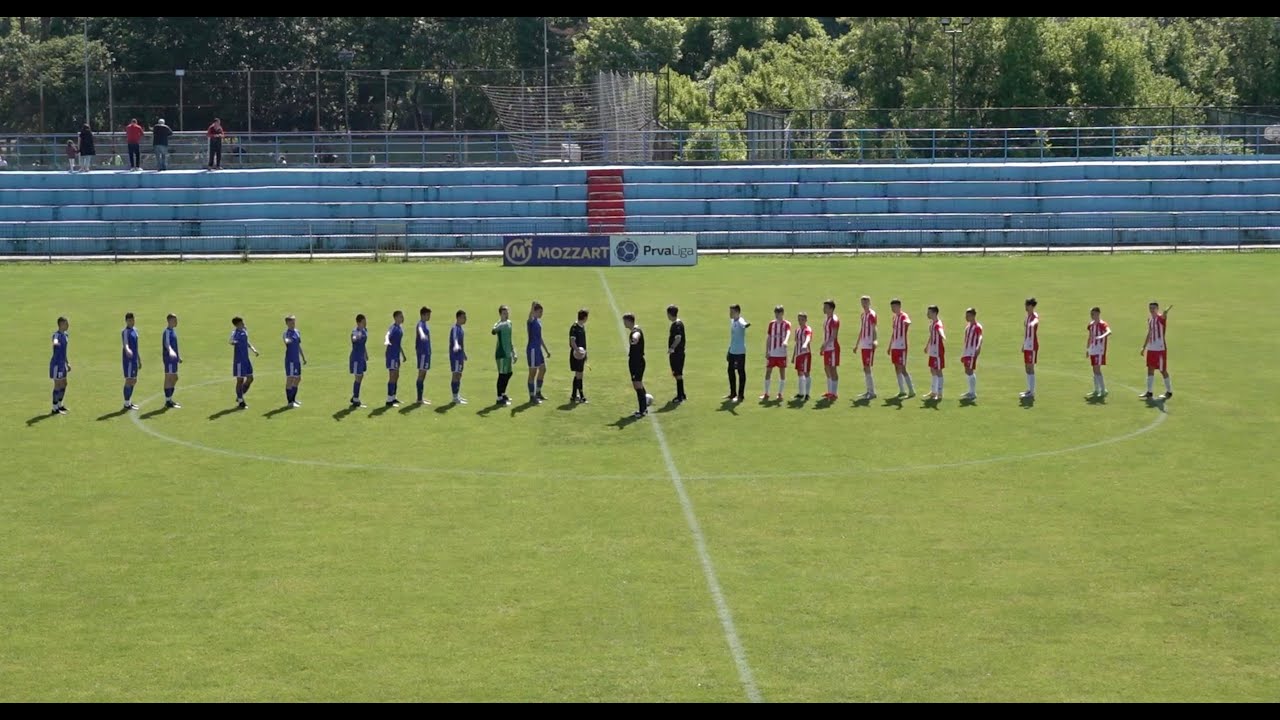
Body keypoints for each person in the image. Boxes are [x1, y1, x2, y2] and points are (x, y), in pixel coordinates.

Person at [1139, 301, 1173, 400]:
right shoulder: (1150, 319)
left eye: (1154, 308)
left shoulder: (1160, 318)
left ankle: (1169, 391)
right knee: (1150, 369)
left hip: (1160, 349)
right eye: (1150, 308)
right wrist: (1144, 347)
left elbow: (1163, 317)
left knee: (1163, 370)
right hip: (1151, 348)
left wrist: (1165, 313)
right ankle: (1149, 392)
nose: (1152, 309)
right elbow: (1149, 333)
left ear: (1157, 308)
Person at [229, 316, 260, 409]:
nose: (244, 323)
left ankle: (240, 395)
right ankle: (241, 401)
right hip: (239, 361)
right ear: (237, 324)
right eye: (242, 323)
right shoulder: (234, 333)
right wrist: (233, 342)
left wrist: (253, 349)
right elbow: (230, 341)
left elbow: (246, 342)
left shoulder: (244, 331)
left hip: (246, 360)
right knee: (240, 380)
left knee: (250, 378)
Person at [762, 304, 791, 401]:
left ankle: (780, 393)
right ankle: (766, 393)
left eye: (778, 312)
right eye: (775, 312)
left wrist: (786, 341)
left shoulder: (786, 323)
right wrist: (767, 351)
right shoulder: (772, 324)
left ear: (782, 313)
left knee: (782, 373)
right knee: (768, 372)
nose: (777, 314)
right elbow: (769, 337)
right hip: (772, 353)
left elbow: (788, 333)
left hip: (782, 353)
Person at [888, 298, 916, 398]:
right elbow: (893, 332)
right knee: (896, 367)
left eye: (894, 307)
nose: (892, 309)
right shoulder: (894, 317)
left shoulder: (904, 316)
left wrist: (906, 324)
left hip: (901, 346)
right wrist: (889, 345)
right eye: (891, 307)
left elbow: (908, 321)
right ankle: (902, 390)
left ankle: (911, 390)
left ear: (899, 306)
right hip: (895, 346)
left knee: (902, 368)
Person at [623, 313, 649, 419]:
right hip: (635, 361)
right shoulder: (636, 329)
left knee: (637, 385)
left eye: (625, 321)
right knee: (637, 385)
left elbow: (636, 336)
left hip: (637, 362)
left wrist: (634, 339)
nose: (624, 323)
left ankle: (642, 410)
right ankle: (644, 404)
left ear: (629, 321)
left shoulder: (635, 332)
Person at [526, 302, 551, 404]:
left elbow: (540, 338)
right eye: (540, 312)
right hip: (532, 350)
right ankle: (532, 397)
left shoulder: (539, 322)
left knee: (543, 369)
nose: (541, 314)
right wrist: (532, 307)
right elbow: (530, 316)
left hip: (538, 350)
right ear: (535, 312)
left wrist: (546, 350)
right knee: (533, 373)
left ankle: (538, 392)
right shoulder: (531, 321)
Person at [492, 305, 516, 405]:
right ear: (500, 314)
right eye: (504, 313)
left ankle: (503, 393)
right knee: (502, 375)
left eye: (507, 313)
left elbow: (510, 339)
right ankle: (499, 398)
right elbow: (493, 331)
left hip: (508, 353)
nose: (506, 315)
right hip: (501, 353)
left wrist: (514, 352)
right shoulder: (499, 324)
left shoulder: (509, 323)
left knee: (509, 373)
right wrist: (500, 326)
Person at [725, 304, 750, 402]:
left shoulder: (740, 321)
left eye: (732, 312)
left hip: (740, 352)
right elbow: (733, 338)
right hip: (732, 351)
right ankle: (732, 393)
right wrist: (729, 349)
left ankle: (740, 395)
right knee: (730, 371)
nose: (730, 314)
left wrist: (746, 325)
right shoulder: (732, 321)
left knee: (740, 372)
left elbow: (744, 324)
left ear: (737, 312)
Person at [856, 295, 878, 401]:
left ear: (869, 302)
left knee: (867, 367)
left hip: (869, 344)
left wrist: (875, 340)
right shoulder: (863, 315)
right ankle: (868, 390)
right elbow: (862, 329)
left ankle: (872, 392)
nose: (864, 304)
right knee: (865, 367)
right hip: (863, 344)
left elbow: (874, 329)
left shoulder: (871, 314)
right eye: (862, 302)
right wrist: (857, 344)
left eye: (865, 302)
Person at [1086, 306, 1112, 398]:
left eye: (1093, 314)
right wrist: (1087, 349)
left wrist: (1101, 336)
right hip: (1093, 349)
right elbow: (1090, 337)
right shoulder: (1091, 325)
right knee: (1094, 369)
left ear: (1097, 314)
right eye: (1091, 314)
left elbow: (1109, 331)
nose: (1091, 316)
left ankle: (1103, 389)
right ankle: (1096, 389)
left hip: (1100, 349)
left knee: (1097, 369)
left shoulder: (1102, 324)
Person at [384, 310, 407, 407]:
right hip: (391, 355)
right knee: (392, 376)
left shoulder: (399, 328)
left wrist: (403, 354)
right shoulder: (393, 328)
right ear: (396, 317)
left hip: (396, 355)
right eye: (401, 316)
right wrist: (386, 340)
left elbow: (398, 343)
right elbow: (387, 334)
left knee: (396, 376)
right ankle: (389, 400)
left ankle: (393, 397)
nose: (403, 318)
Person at [960, 307, 983, 401]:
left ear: (973, 316)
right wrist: (963, 353)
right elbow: (966, 341)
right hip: (967, 351)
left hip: (972, 352)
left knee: (970, 370)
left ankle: (973, 393)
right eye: (966, 315)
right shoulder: (968, 327)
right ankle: (970, 391)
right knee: (967, 370)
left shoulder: (977, 327)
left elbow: (980, 337)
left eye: (968, 315)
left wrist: (978, 346)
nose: (966, 317)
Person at [283, 315, 306, 407]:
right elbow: (285, 340)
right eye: (291, 322)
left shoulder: (297, 332)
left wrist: (303, 357)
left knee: (298, 378)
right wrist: (287, 341)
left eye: (294, 322)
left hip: (297, 360)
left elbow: (298, 346)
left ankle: (293, 399)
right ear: (287, 323)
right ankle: (290, 402)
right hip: (290, 360)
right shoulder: (286, 333)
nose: (293, 324)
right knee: (290, 379)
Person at [923, 305, 946, 401]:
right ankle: (933, 391)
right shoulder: (932, 324)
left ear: (934, 313)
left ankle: (939, 393)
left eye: (929, 312)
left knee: (938, 370)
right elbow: (931, 335)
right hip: (932, 350)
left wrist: (943, 335)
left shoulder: (937, 324)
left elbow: (940, 331)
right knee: (932, 369)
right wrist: (927, 346)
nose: (927, 314)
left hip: (938, 351)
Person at [49, 316, 71, 415]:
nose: (68, 325)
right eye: (66, 323)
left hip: (62, 364)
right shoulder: (56, 335)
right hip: (56, 364)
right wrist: (55, 343)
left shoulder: (66, 335)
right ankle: (54, 408)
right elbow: (55, 342)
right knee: (57, 385)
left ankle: (60, 404)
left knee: (64, 383)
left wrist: (67, 362)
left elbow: (64, 351)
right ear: (61, 324)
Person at [120, 312, 141, 411]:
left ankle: (129, 402)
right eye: (129, 320)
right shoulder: (125, 332)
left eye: (132, 320)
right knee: (129, 380)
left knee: (134, 380)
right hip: (128, 361)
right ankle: (126, 403)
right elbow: (126, 344)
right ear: (126, 321)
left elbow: (136, 347)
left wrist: (139, 359)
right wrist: (127, 350)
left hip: (134, 360)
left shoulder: (135, 331)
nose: (131, 322)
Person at [160, 313, 182, 408]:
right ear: (169, 321)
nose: (176, 322)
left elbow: (175, 345)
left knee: (175, 378)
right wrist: (171, 352)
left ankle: (169, 399)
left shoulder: (173, 331)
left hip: (173, 359)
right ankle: (168, 401)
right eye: (174, 320)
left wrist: (178, 356)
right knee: (169, 378)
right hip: (169, 359)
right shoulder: (167, 332)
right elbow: (167, 344)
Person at [821, 299, 841, 400]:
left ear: (831, 309)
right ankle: (829, 391)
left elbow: (833, 336)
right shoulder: (826, 319)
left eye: (826, 307)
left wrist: (824, 345)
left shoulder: (834, 320)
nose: (823, 309)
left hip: (833, 348)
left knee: (833, 369)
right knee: (826, 368)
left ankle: (834, 393)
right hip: (827, 347)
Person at [667, 304, 686, 404]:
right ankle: (682, 394)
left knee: (678, 374)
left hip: (677, 354)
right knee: (677, 374)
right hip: (678, 353)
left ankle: (680, 396)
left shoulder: (677, 325)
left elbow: (678, 338)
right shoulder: (677, 323)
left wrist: (672, 348)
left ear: (669, 314)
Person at [1021, 297, 1040, 399]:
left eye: (1027, 305)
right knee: (1026, 367)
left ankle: (1032, 392)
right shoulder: (1027, 317)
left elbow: (1036, 321)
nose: (1026, 307)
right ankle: (1028, 390)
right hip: (1027, 345)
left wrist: (1033, 324)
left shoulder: (1034, 317)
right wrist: (1023, 344)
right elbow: (1026, 333)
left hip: (1032, 345)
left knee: (1031, 367)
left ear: (1031, 306)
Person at [569, 308, 589, 403]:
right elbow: (572, 341)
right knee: (579, 375)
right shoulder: (574, 327)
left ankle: (573, 395)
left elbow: (583, 342)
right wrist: (578, 351)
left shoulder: (582, 326)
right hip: (576, 355)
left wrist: (585, 354)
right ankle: (581, 396)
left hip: (581, 354)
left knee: (578, 374)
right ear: (585, 317)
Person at [792, 312, 813, 400]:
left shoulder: (807, 329)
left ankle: (807, 394)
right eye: (799, 319)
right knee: (799, 373)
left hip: (805, 354)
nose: (800, 321)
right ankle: (801, 393)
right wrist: (793, 356)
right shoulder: (797, 330)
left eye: (802, 320)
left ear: (806, 320)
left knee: (806, 373)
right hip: (798, 354)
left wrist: (805, 344)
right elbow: (796, 343)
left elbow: (808, 338)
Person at [349, 314, 369, 408]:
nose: (365, 323)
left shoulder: (365, 330)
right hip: (356, 358)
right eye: (363, 322)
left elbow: (363, 344)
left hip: (361, 357)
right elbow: (353, 338)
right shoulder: (355, 332)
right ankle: (356, 400)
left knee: (361, 376)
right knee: (358, 377)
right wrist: (356, 337)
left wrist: (366, 354)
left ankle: (354, 397)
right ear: (358, 323)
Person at [450, 310, 469, 405]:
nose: (465, 319)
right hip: (455, 356)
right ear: (458, 318)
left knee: (459, 375)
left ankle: (457, 395)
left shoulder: (461, 329)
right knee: (456, 375)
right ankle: (454, 397)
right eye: (464, 317)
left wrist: (464, 353)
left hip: (460, 355)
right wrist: (456, 345)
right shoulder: (455, 328)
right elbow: (455, 339)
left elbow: (461, 342)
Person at [415, 306, 433, 405]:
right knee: (421, 374)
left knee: (423, 374)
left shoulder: (425, 324)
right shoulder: (420, 325)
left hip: (426, 353)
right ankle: (419, 399)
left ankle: (421, 397)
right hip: (422, 353)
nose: (429, 317)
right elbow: (421, 335)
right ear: (423, 315)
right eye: (428, 315)